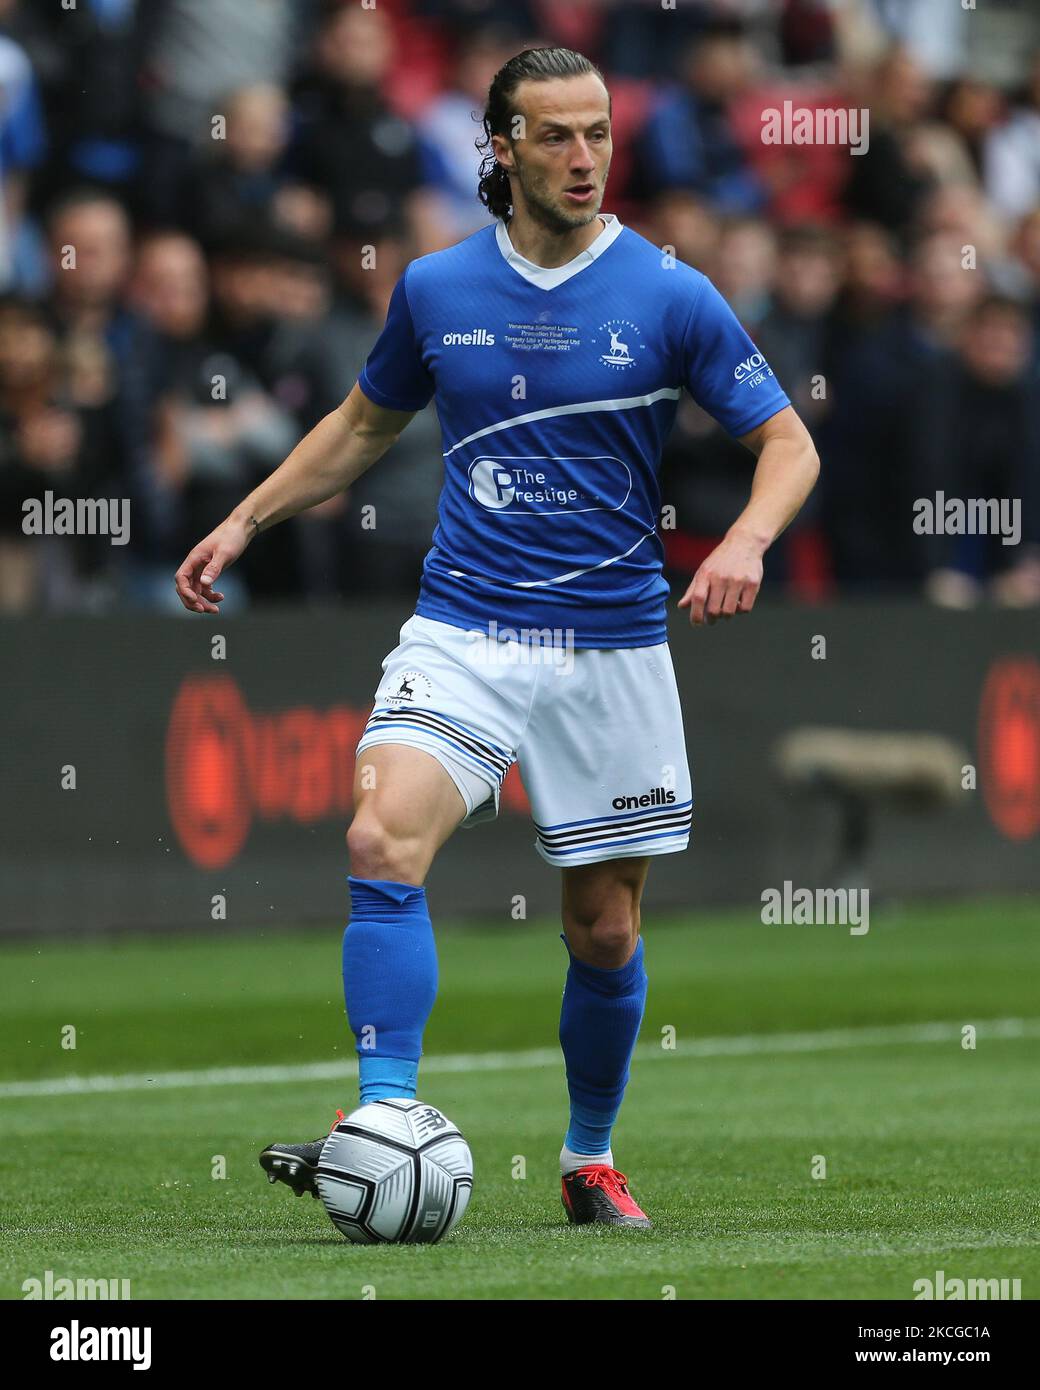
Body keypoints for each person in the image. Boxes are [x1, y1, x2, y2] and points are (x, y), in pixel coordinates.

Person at [174, 46, 819, 1228]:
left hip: (610, 643)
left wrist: (746, 540)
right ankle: (381, 1117)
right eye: (557, 137)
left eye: (598, 135)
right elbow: (362, 424)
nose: (584, 160)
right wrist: (246, 514)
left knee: (604, 928)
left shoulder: (671, 293)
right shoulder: (435, 288)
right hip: (465, 624)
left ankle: (587, 1154)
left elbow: (788, 443)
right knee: (378, 836)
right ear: (502, 147)